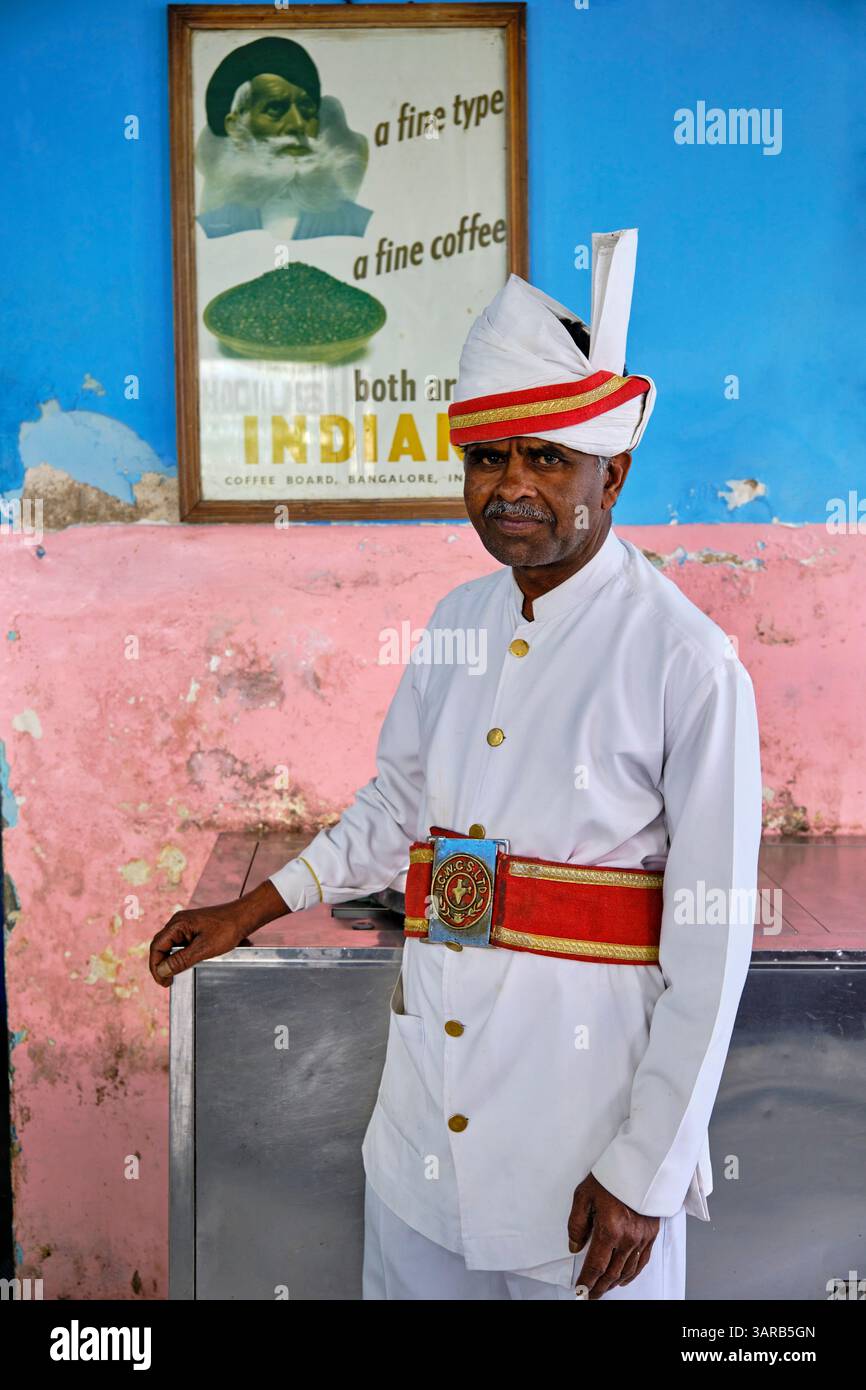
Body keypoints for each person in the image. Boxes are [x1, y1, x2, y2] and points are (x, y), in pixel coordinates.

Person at [150, 228, 762, 1301]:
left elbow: (709, 950)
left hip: (583, 1159)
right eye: (488, 458)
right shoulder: (454, 620)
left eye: (544, 458)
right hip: (423, 1134)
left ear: (609, 472)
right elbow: (396, 804)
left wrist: (644, 1167)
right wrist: (253, 907)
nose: (510, 486)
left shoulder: (685, 661)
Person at [195, 36, 371, 240]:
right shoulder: (209, 230)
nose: (297, 124)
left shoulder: (359, 227)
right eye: (276, 109)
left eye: (306, 109)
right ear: (235, 126)